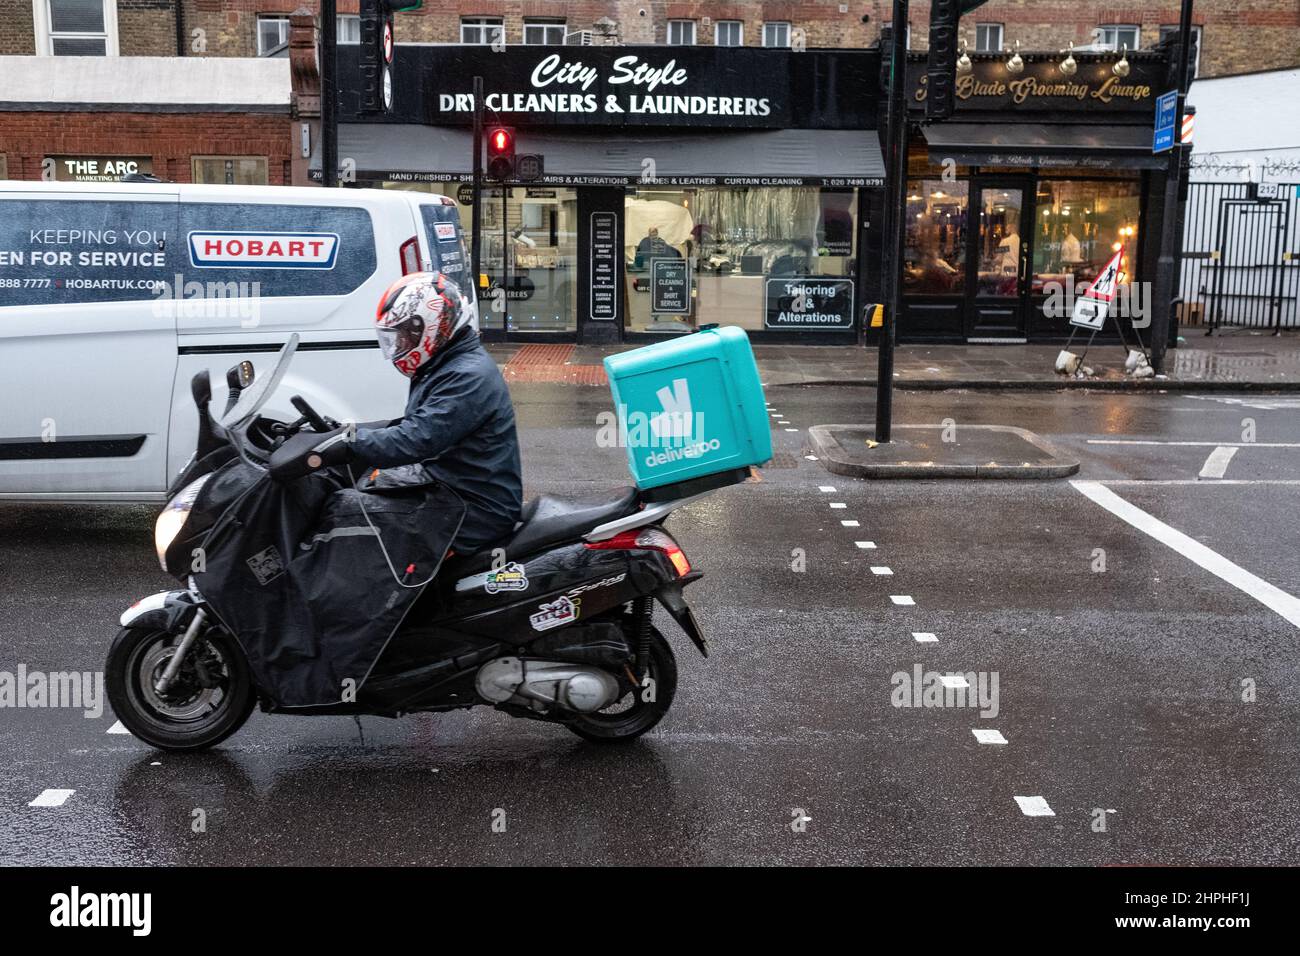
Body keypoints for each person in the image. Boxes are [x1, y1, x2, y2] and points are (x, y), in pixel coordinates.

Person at [315, 271, 523, 554]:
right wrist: (343, 431)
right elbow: (411, 425)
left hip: (477, 509)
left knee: (357, 527)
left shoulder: (466, 376)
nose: (399, 344)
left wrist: (349, 442)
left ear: (430, 326)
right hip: (452, 490)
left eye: (403, 335)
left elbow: (415, 439)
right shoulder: (446, 363)